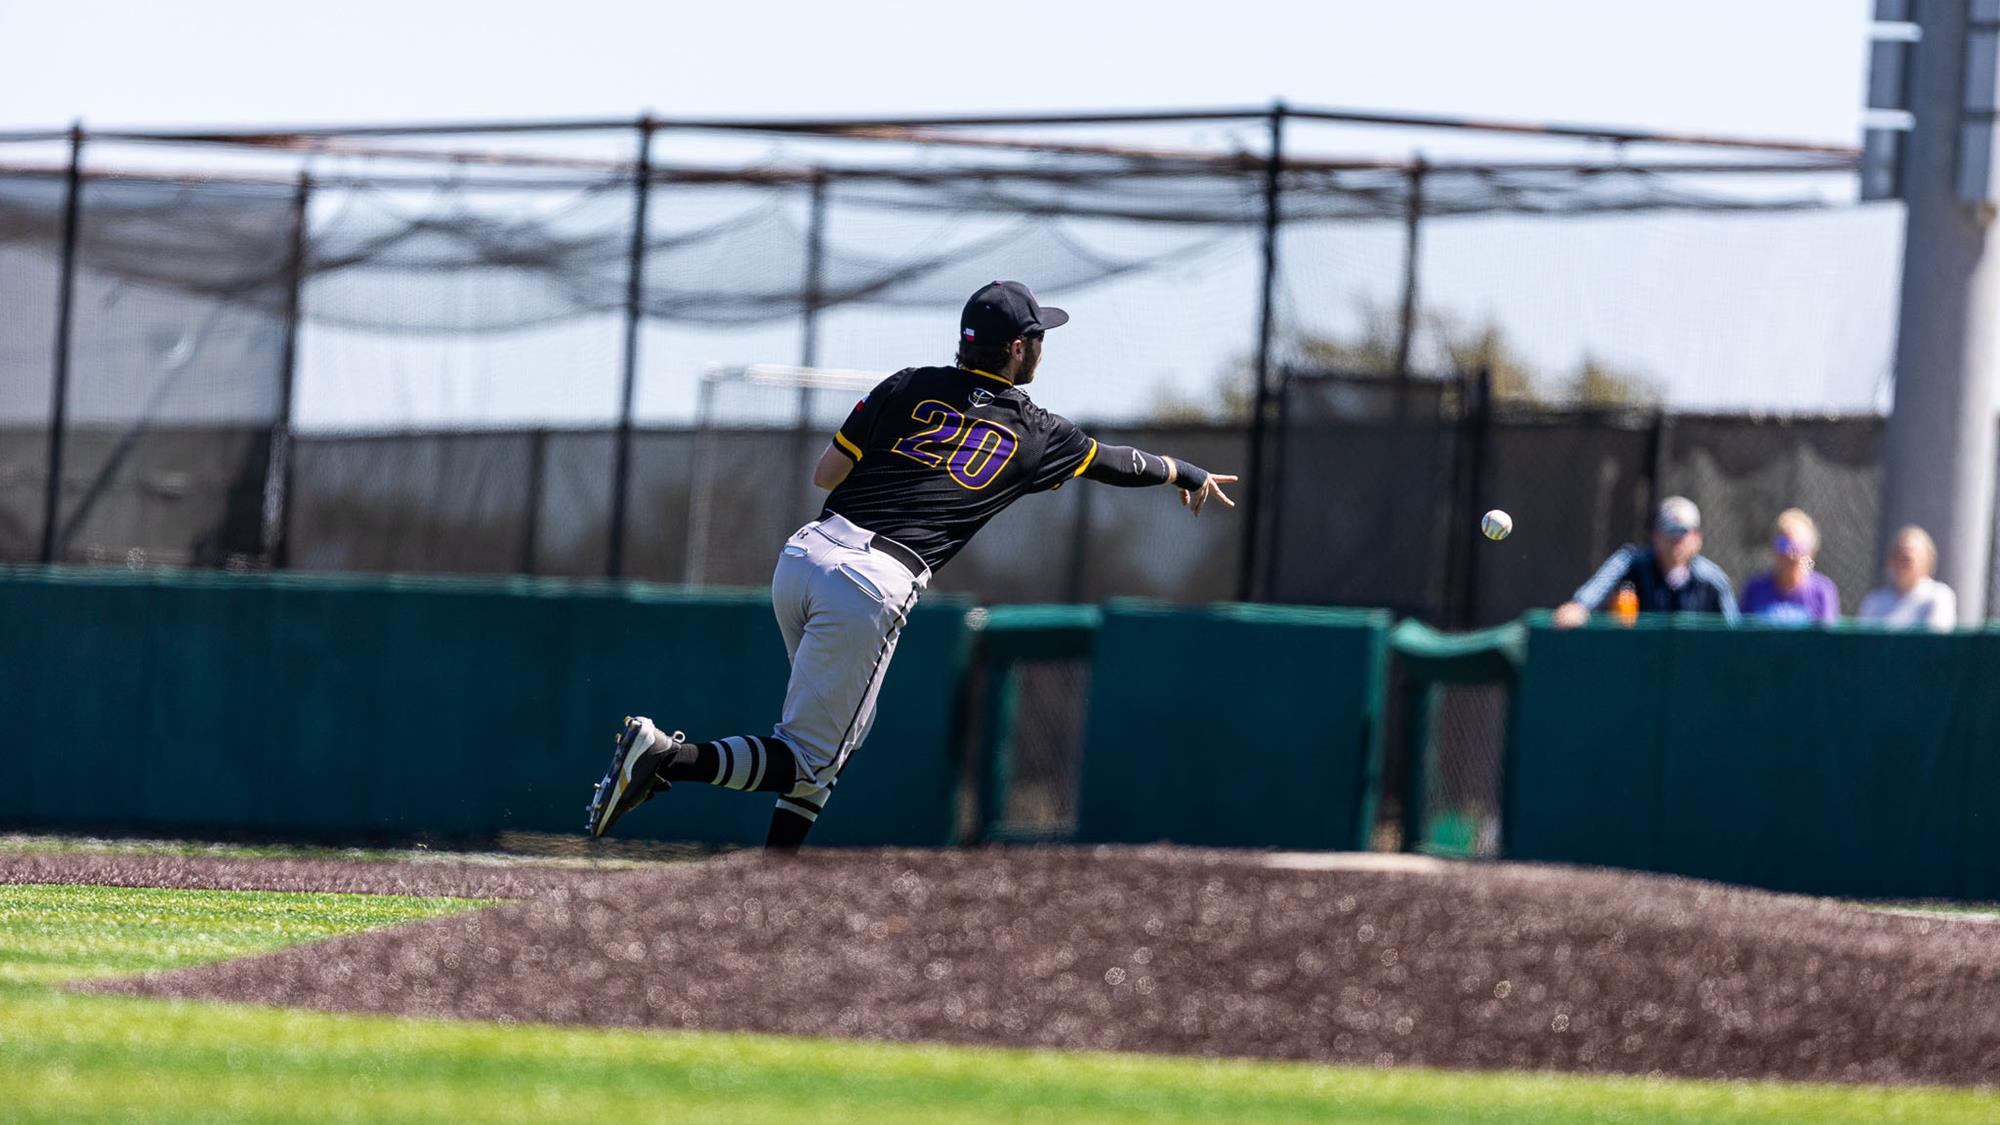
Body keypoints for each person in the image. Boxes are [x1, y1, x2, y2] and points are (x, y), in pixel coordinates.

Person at [586, 281, 1238, 849]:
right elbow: (1118, 462)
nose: (1041, 348)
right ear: (1018, 349)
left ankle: (773, 875)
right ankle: (668, 757)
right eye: (1038, 337)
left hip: (806, 554)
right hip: (873, 583)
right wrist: (1186, 471)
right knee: (810, 754)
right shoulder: (1039, 432)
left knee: (833, 743)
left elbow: (827, 472)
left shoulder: (906, 384)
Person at [1553, 496, 1737, 628]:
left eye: (1682, 532)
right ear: (1655, 535)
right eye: (1668, 531)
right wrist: (1580, 607)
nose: (1675, 541)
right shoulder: (1631, 562)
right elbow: (1589, 597)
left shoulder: (1713, 580)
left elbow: (1734, 633)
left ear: (1697, 538)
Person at [1738, 508, 1839, 625]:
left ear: (1810, 552)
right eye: (1782, 544)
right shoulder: (1754, 588)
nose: (1788, 553)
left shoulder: (1822, 590)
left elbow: (1826, 638)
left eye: (1796, 547)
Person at [1858, 525, 1957, 632]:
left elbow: (1936, 639)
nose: (1901, 564)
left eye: (1907, 559)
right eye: (1897, 557)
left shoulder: (1939, 596)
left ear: (1927, 561)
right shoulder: (1874, 600)